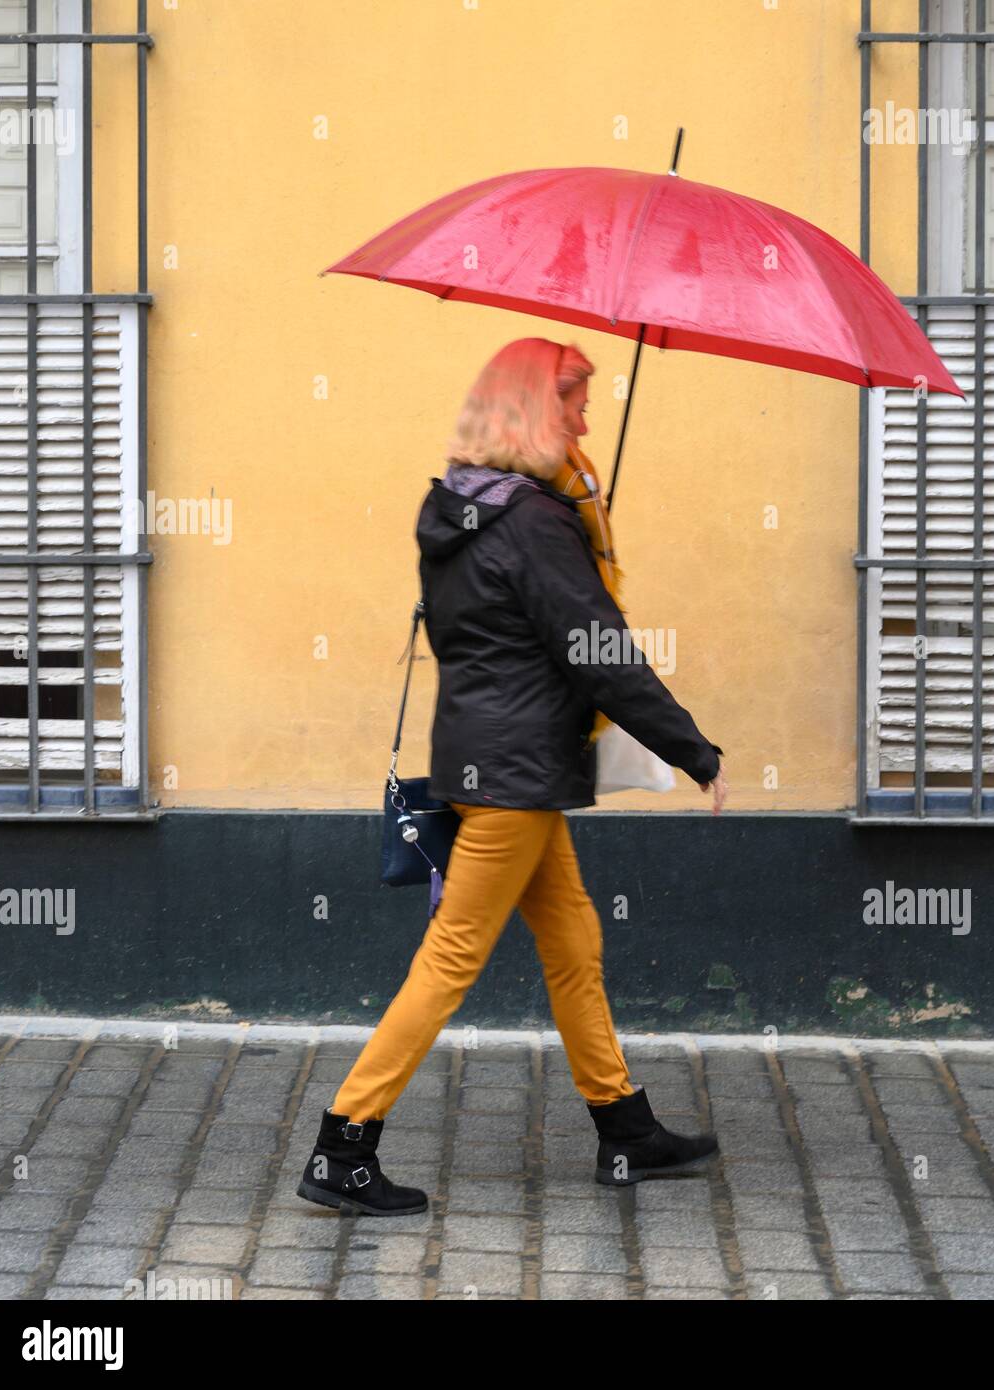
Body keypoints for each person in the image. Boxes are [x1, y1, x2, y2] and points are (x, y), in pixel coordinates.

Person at [298, 337, 728, 1217]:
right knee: (451, 959)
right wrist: (692, 750)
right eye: (573, 401)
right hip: (516, 775)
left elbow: (493, 638)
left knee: (573, 943)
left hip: (491, 760)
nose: (584, 418)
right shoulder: (534, 522)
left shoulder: (459, 506)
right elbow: (598, 653)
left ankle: (624, 1128)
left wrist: (577, 539)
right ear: (535, 411)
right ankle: (343, 1144)